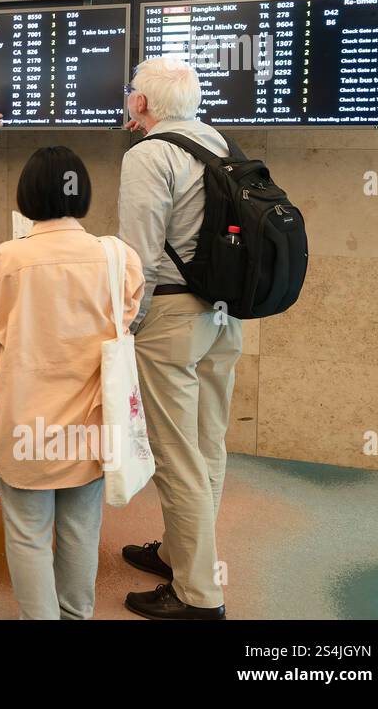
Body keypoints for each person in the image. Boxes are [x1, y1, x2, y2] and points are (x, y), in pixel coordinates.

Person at [0, 147, 144, 619]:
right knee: (82, 528)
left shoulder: (8, 259)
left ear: (28, 196)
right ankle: (76, 615)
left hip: (25, 420)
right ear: (81, 192)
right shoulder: (116, 257)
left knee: (26, 532)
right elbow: (127, 318)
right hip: (89, 423)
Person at [118, 56, 242, 620]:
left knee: (176, 456)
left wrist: (128, 323)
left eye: (130, 95)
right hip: (225, 314)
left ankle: (198, 594)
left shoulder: (150, 155)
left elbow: (139, 255)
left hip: (172, 317)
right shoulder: (218, 143)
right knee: (208, 443)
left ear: (142, 103)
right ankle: (178, 553)